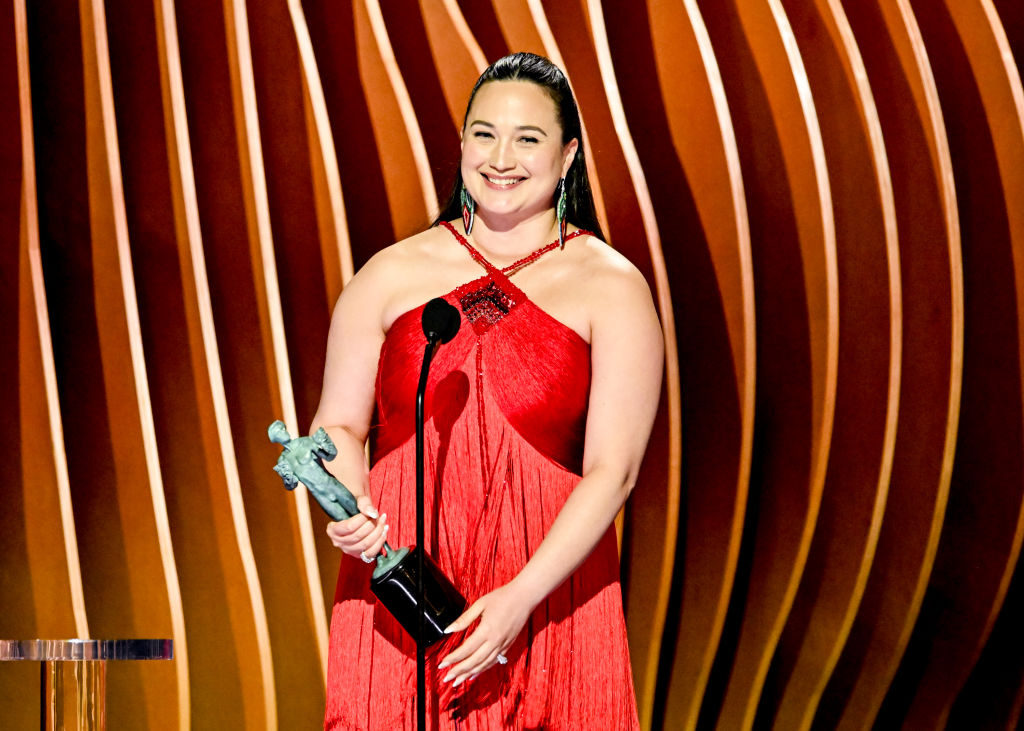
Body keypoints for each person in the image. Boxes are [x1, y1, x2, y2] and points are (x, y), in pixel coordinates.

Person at [310, 51, 663, 730]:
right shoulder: (389, 273)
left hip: (549, 593)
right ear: (462, 144)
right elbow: (338, 427)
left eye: (527, 138)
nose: (501, 156)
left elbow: (613, 471)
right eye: (484, 133)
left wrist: (519, 598)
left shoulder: (612, 286)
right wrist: (351, 502)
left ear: (567, 157)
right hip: (399, 594)